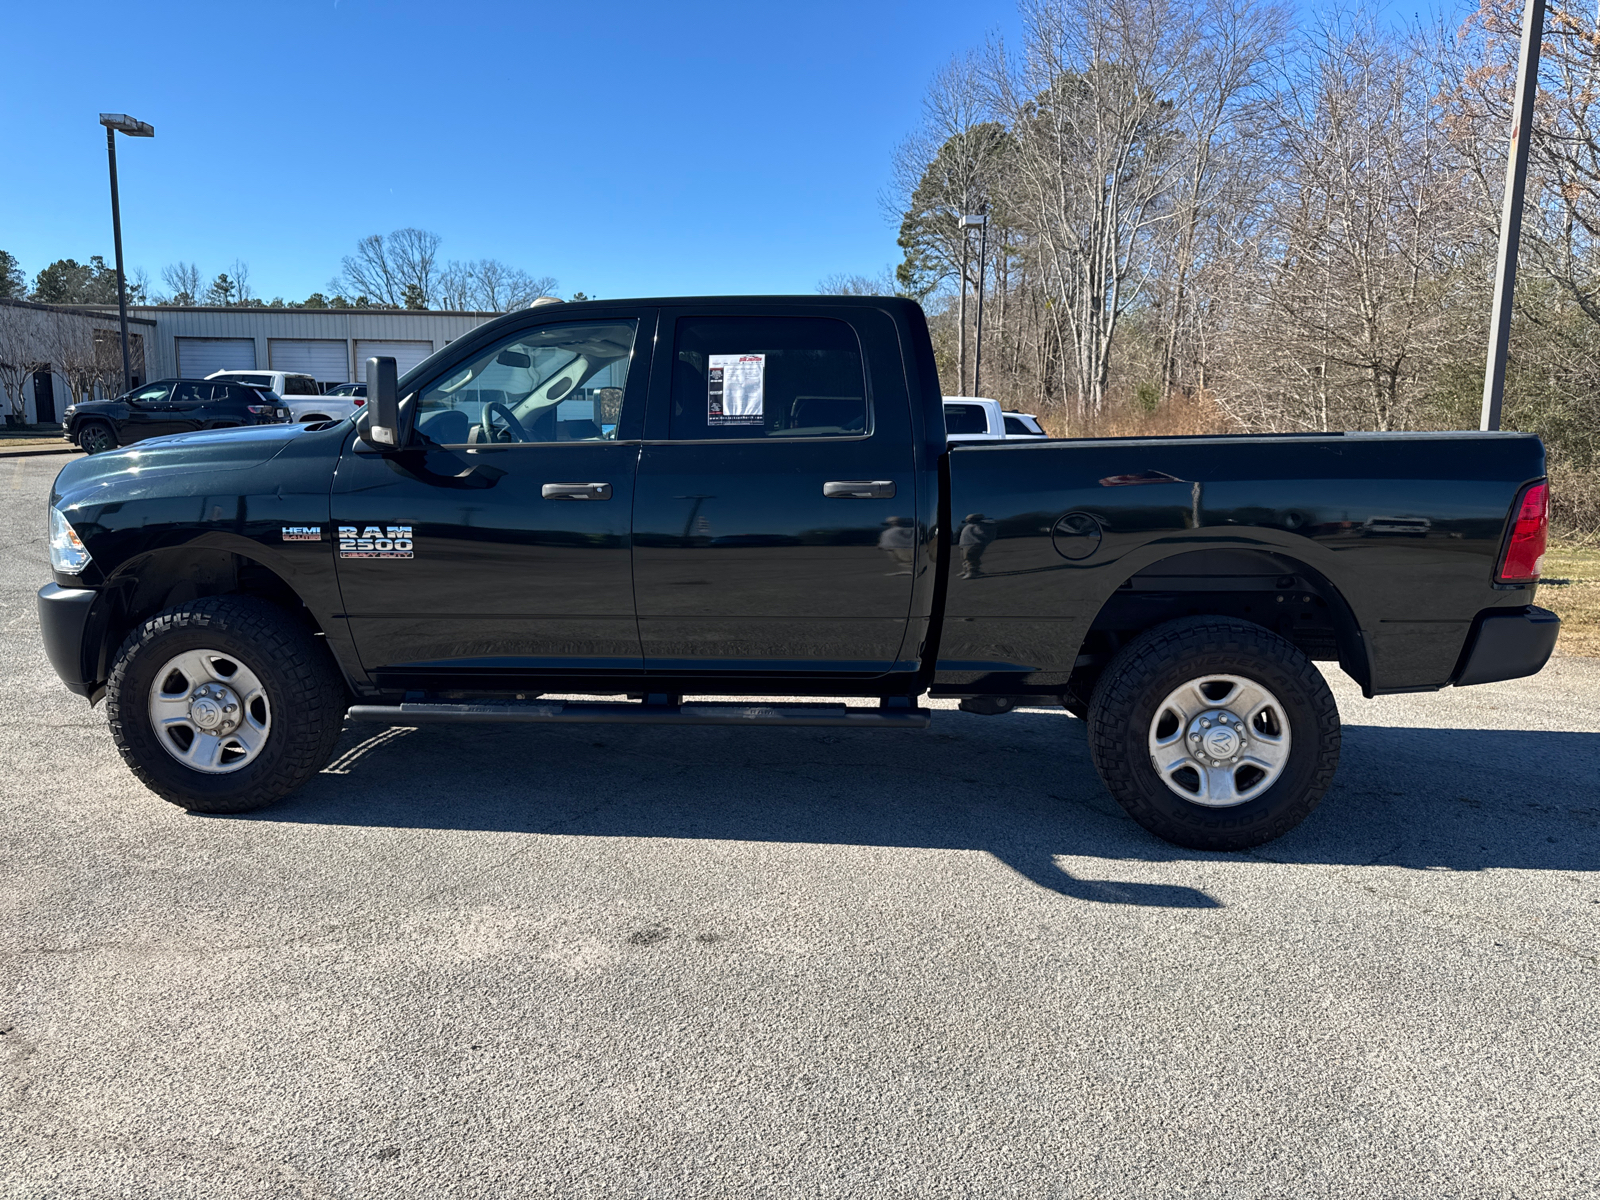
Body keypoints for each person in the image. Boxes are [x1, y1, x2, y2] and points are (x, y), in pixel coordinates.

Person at [958, 513, 996, 579]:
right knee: (964, 558)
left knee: (970, 558)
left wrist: (980, 542)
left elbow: (982, 534)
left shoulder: (979, 526)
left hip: (973, 544)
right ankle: (966, 570)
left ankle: (972, 572)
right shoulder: (970, 525)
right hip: (964, 544)